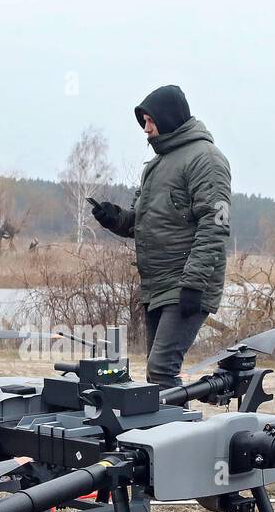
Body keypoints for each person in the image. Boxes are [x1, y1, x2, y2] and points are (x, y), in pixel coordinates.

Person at [89, 85, 231, 387]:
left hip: (187, 283)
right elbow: (141, 223)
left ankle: (183, 433)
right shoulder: (156, 165)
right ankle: (155, 431)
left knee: (162, 368)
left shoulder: (206, 159)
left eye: (150, 121)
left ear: (168, 118)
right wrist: (114, 219)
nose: (146, 129)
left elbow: (215, 224)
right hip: (157, 284)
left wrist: (194, 284)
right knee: (155, 374)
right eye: (143, 122)